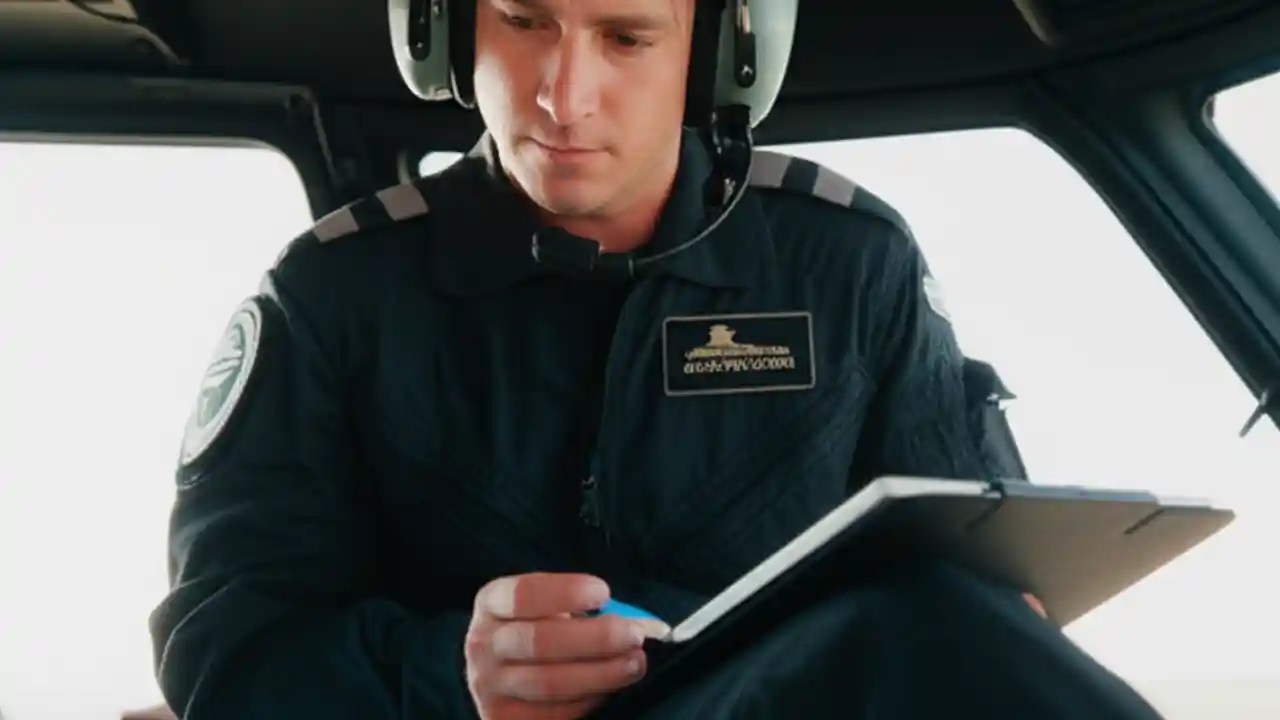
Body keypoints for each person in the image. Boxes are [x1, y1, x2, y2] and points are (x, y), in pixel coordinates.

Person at [150, 0, 1165, 718]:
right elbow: (228, 662)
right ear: (442, 26)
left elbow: (974, 571)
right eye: (521, 21)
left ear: (722, 50)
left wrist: (1005, 623)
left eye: (625, 37)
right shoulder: (332, 296)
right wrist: (452, 675)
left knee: (938, 618)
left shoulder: (847, 265)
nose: (560, 94)